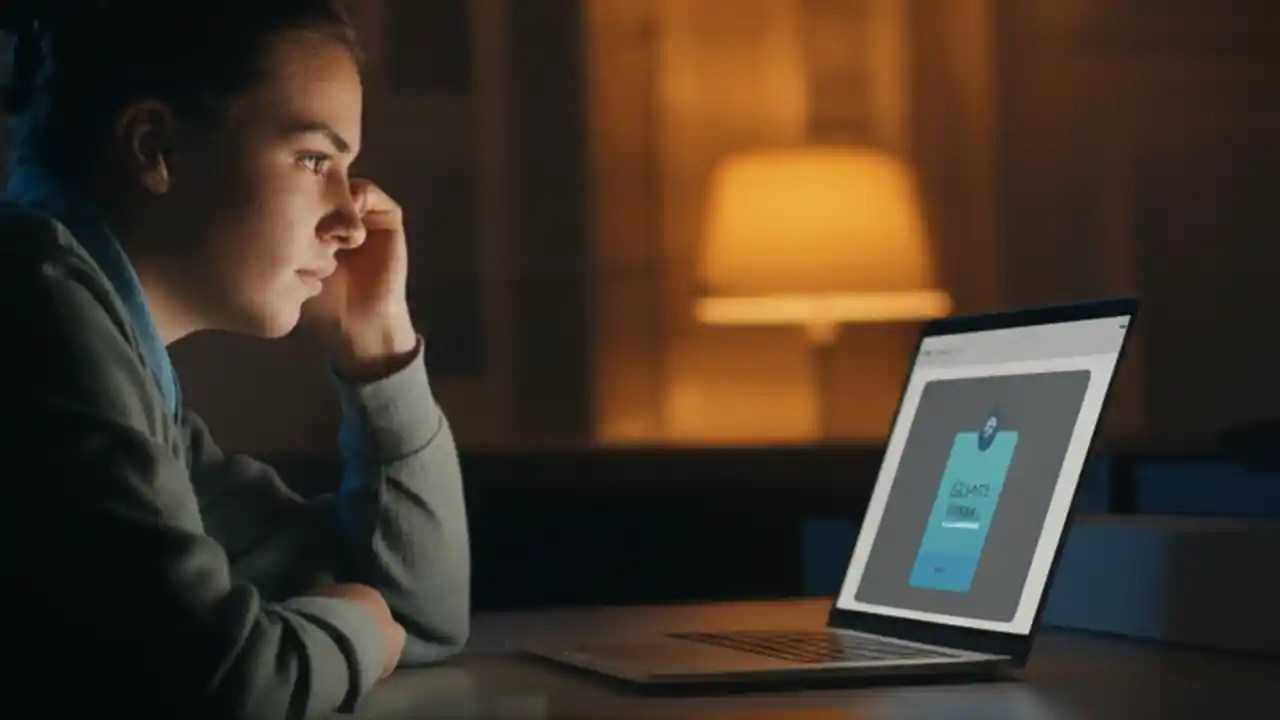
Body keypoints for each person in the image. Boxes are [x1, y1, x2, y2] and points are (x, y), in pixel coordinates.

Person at [0, 1, 470, 716]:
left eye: (348, 169)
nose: (351, 221)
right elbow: (216, 683)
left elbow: (417, 613)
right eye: (315, 159)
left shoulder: (113, 348)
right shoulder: (35, 308)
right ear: (155, 146)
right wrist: (357, 633)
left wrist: (379, 345)